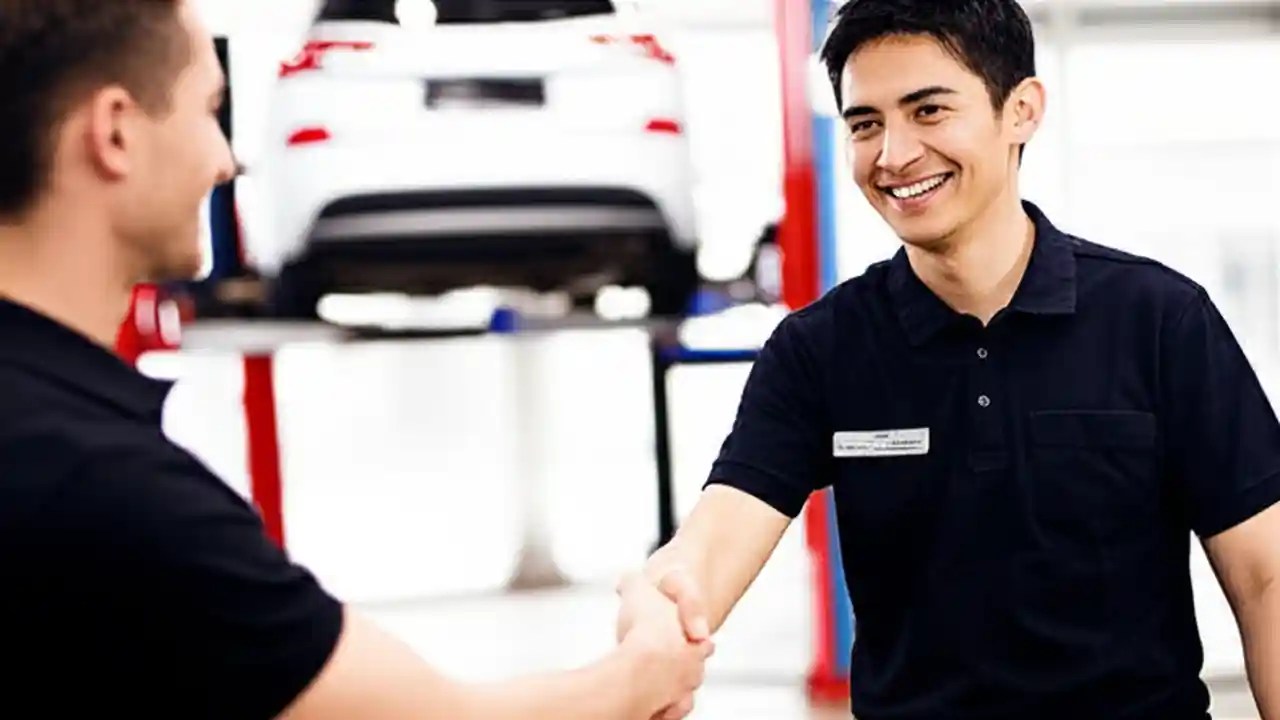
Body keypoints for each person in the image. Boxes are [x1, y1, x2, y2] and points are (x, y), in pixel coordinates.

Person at [0, 0, 712, 717]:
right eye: (208, 110)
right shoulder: (104, 487)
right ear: (115, 132)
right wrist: (647, 670)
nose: (227, 159)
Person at [618, 1, 1280, 719]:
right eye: (865, 123)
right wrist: (667, 600)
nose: (893, 155)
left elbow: (1266, 576)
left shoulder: (1159, 320)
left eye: (928, 111)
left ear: (1021, 110)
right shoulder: (821, 349)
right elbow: (716, 541)